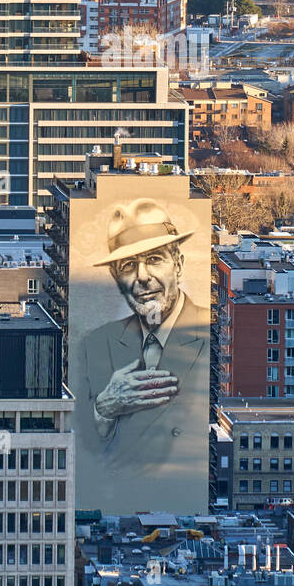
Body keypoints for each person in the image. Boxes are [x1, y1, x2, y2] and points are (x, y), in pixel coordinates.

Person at [76, 198, 210, 488]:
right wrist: (104, 408)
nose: (142, 277)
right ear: (116, 278)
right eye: (127, 266)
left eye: (154, 259)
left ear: (178, 265)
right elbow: (79, 443)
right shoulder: (95, 343)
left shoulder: (211, 335)